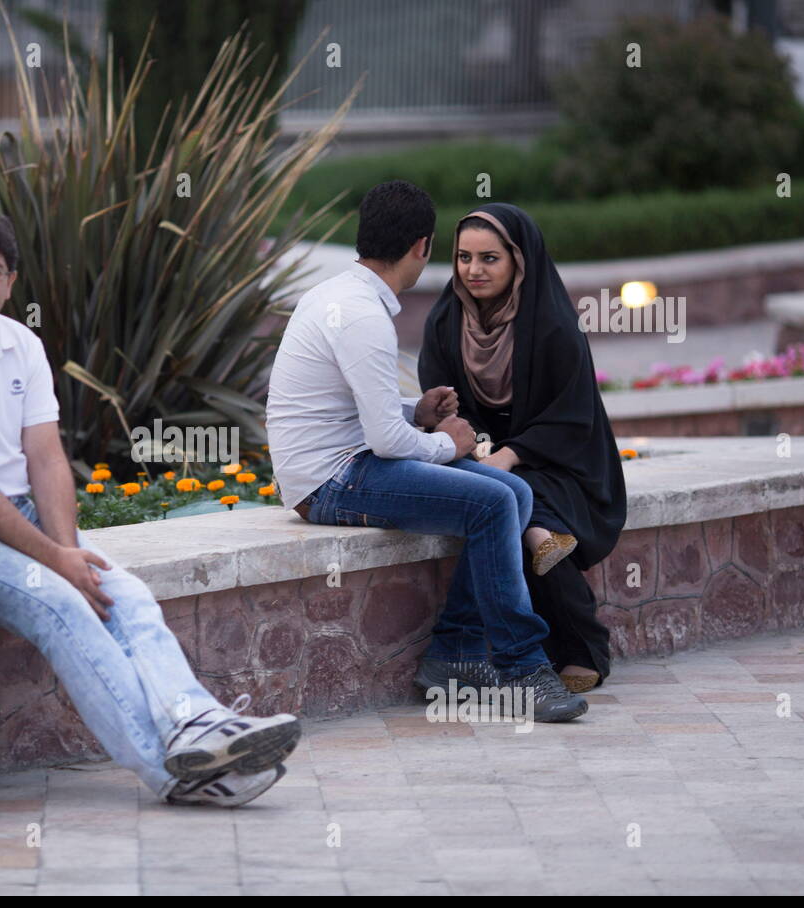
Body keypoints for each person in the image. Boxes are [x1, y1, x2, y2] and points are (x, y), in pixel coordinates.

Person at [0, 204, 301, 807]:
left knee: (125, 594)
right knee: (62, 605)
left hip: (22, 518)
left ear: (10, 281)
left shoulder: (21, 344)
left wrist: (68, 550)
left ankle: (196, 724)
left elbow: (47, 459)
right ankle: (178, 777)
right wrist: (60, 565)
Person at [265, 180, 588, 722]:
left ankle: (456, 656)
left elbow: (364, 412)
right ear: (423, 246)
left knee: (512, 490)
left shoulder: (339, 295)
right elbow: (385, 443)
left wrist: (415, 408)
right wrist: (448, 441)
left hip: (338, 464)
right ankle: (523, 668)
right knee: (492, 503)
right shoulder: (363, 315)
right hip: (330, 482)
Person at [419, 205, 627, 692]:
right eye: (464, 257)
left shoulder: (553, 325)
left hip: (566, 464)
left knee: (521, 501)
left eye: (490, 258)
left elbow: (572, 418)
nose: (473, 271)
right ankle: (583, 647)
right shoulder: (446, 320)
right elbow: (442, 405)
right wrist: (457, 433)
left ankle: (573, 636)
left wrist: (510, 456)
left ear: (519, 260)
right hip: (478, 458)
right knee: (515, 505)